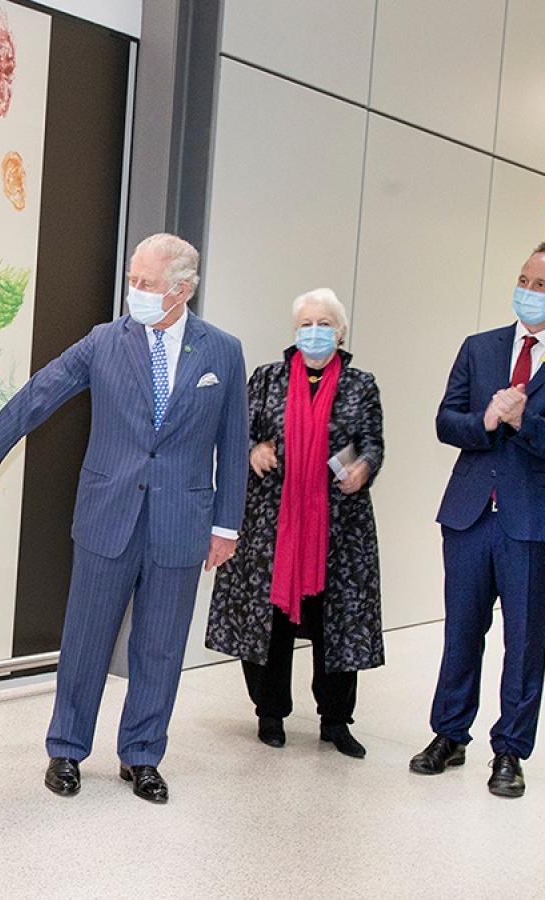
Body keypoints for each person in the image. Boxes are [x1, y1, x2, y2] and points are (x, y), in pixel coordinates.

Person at [0, 233, 247, 804]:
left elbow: (234, 442)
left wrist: (226, 526)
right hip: (109, 514)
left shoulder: (222, 352)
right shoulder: (105, 341)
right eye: (132, 279)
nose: (135, 291)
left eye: (147, 284)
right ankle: (66, 749)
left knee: (160, 645)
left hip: (182, 520)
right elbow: (43, 390)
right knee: (86, 638)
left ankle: (142, 755)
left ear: (181, 290)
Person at [411, 241, 545, 798]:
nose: (528, 291)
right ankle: (449, 735)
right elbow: (446, 422)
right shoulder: (481, 348)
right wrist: (488, 421)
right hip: (470, 514)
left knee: (524, 640)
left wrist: (525, 421)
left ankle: (510, 751)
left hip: (536, 522)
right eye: (524, 279)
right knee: (461, 631)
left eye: (542, 285)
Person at [205, 289, 384, 758]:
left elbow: (371, 444)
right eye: (306, 323)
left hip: (337, 528)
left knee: (336, 624)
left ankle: (335, 721)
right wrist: (253, 449)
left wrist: (362, 467)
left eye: (324, 323)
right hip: (271, 525)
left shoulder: (360, 385)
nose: (314, 331)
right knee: (270, 623)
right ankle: (269, 713)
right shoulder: (266, 379)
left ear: (340, 331)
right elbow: (237, 429)